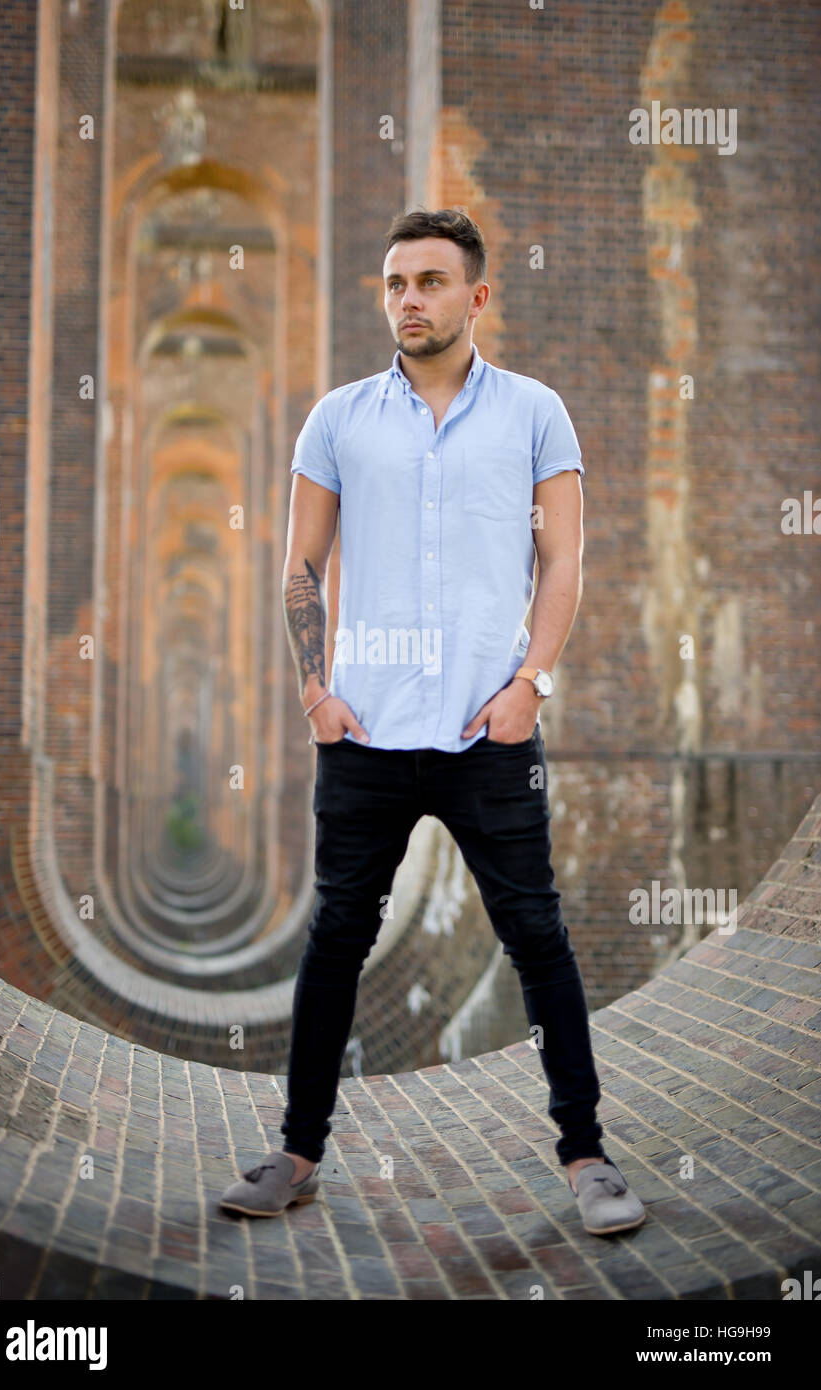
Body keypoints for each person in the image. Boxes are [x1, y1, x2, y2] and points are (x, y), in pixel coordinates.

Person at [219, 208, 644, 1237]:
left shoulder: (536, 413)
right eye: (395, 282)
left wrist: (529, 687)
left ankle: (586, 1157)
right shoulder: (337, 419)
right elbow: (300, 568)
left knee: (538, 939)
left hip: (484, 736)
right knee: (333, 945)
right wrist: (315, 696)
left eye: (430, 282)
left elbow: (564, 563)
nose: (409, 299)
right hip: (363, 736)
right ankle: (297, 1150)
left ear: (476, 297)